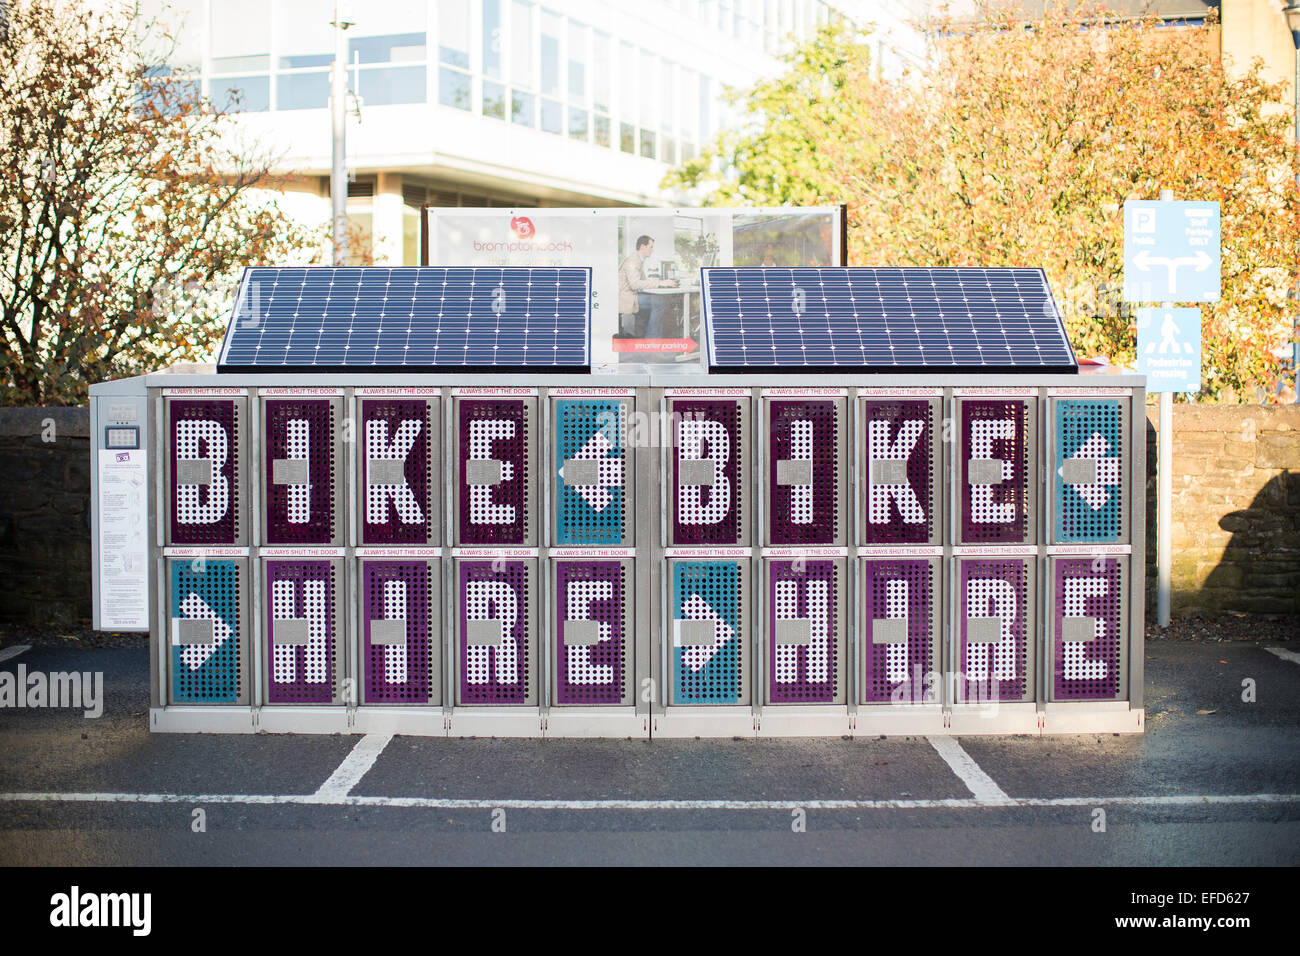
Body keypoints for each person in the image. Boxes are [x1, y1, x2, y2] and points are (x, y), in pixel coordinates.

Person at [617, 235, 676, 339]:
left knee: (656, 300)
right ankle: (653, 339)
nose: (652, 250)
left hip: (631, 294)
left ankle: (643, 335)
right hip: (626, 297)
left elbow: (643, 281)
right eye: (651, 247)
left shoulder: (638, 260)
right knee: (659, 302)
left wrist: (661, 282)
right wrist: (660, 283)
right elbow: (635, 284)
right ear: (643, 247)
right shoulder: (633, 261)